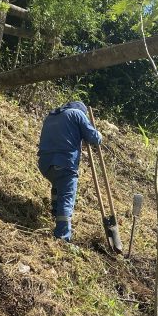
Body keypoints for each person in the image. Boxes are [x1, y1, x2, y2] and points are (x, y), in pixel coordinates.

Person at [37, 100, 102, 242]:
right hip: (65, 162)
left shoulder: (51, 116)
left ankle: (55, 213)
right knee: (67, 198)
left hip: (45, 164)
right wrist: (99, 136)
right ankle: (62, 237)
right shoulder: (78, 114)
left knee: (57, 184)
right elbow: (93, 137)